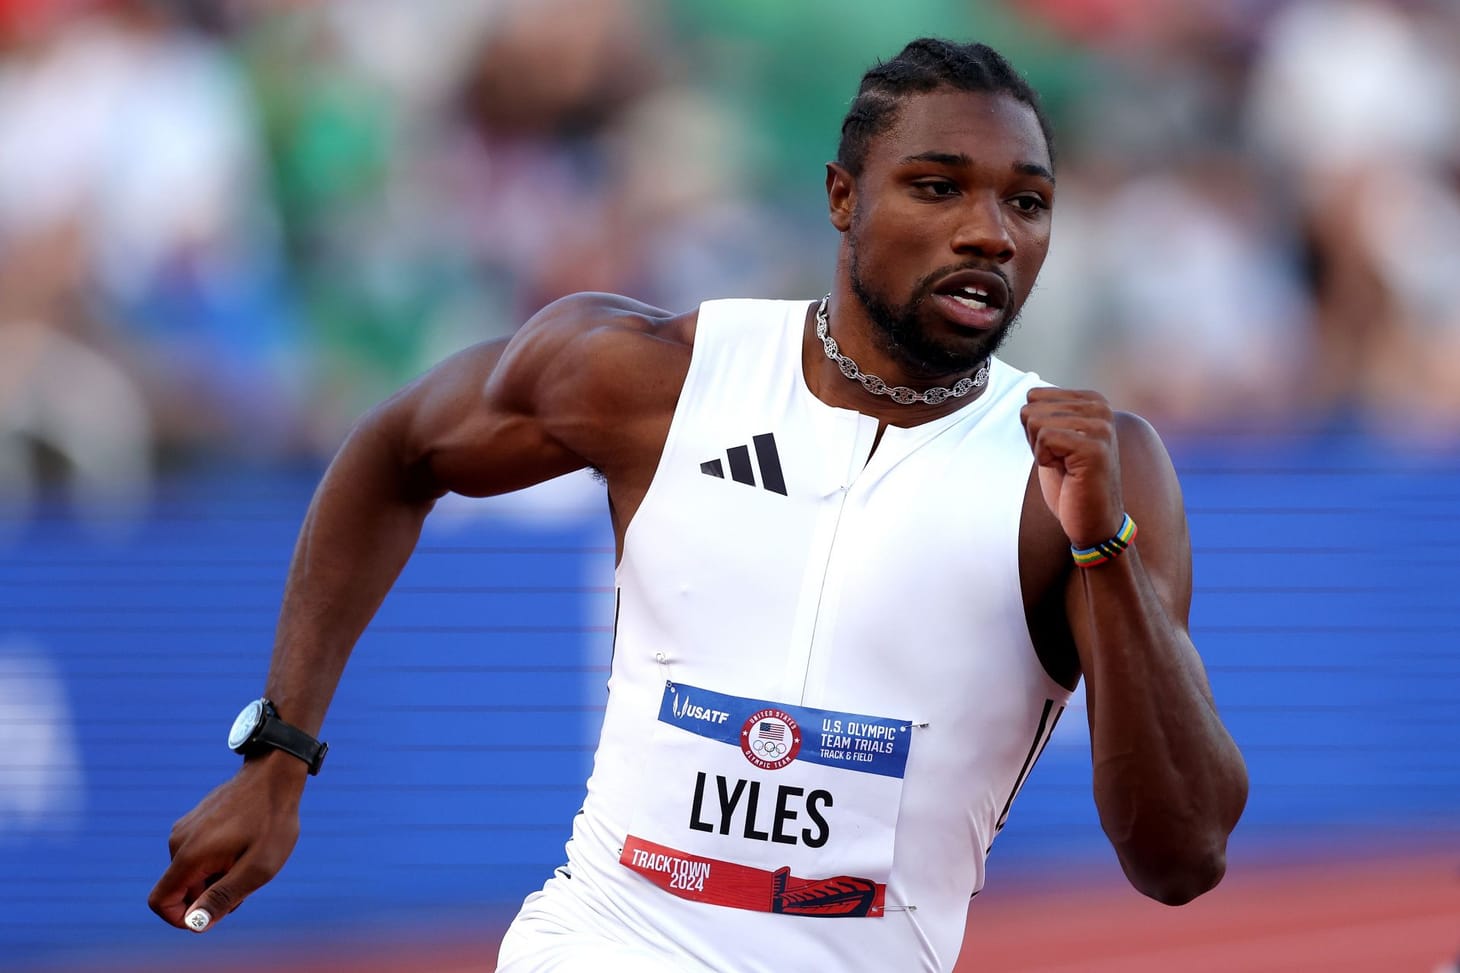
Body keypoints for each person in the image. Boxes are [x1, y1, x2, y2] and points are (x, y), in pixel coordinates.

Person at [148, 38, 1248, 972]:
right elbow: (395, 452)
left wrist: (1100, 543)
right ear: (839, 197)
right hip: (606, 935)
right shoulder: (660, 377)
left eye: (1025, 202)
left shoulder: (1084, 473)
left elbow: (1180, 855)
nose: (987, 232)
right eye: (936, 185)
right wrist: (279, 751)